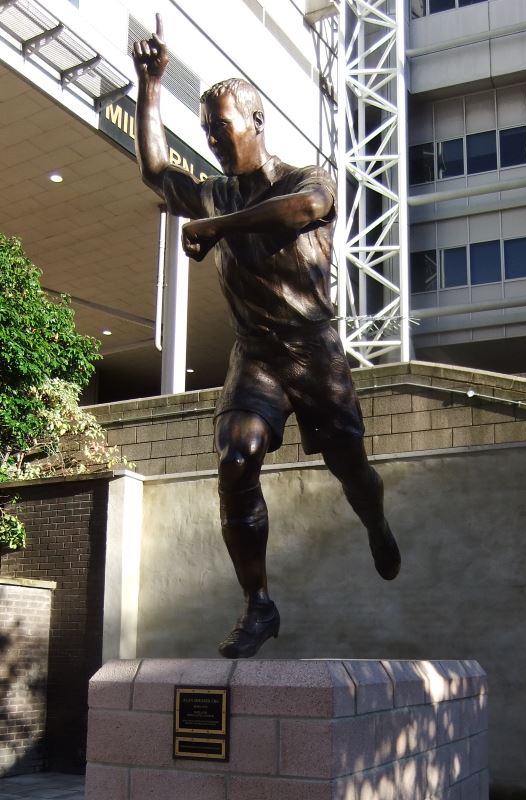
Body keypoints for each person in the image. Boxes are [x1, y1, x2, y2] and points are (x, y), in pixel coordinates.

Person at [133, 15, 401, 659]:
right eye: (206, 132)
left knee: (351, 468)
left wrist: (219, 227)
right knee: (234, 459)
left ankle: (375, 519)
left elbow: (303, 212)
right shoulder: (215, 193)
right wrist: (151, 85)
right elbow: (155, 171)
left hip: (315, 353)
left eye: (221, 128)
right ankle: (258, 604)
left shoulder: (307, 180)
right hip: (256, 356)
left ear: (256, 121)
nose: (213, 141)